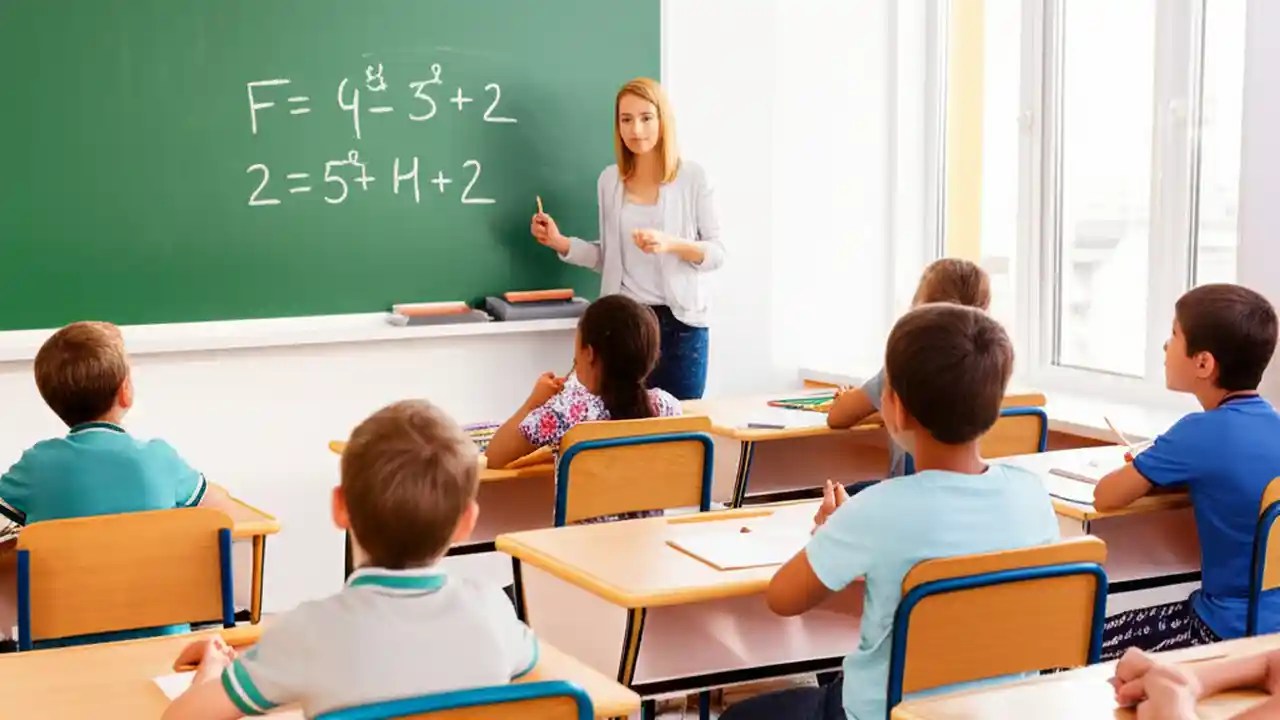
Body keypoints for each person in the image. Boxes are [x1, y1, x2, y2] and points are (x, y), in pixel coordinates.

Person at [720, 304, 1059, 720]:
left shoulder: (875, 509)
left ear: (894, 408)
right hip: (998, 710)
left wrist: (835, 533)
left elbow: (783, 598)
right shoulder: (1031, 495)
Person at [163, 400, 539, 719]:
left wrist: (212, 671)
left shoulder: (308, 633)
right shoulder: (493, 611)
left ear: (339, 507)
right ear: (467, 522)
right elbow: (544, 674)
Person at [1094, 284, 1280, 658]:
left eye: (1174, 335)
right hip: (1270, 635)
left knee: (1082, 644)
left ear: (1203, 363)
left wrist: (1155, 462)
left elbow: (1105, 496)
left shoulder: (1197, 432)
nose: (1165, 346)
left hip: (1225, 634)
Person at [531, 77, 724, 400]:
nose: (636, 129)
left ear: (662, 120)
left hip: (680, 327)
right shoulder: (610, 181)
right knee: (619, 423)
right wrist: (560, 242)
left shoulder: (692, 177)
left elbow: (717, 253)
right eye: (626, 119)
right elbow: (609, 259)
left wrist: (671, 244)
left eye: (646, 118)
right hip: (623, 325)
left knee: (679, 422)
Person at [826, 258, 992, 478]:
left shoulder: (904, 366)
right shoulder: (987, 372)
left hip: (907, 484)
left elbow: (837, 417)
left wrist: (848, 401)